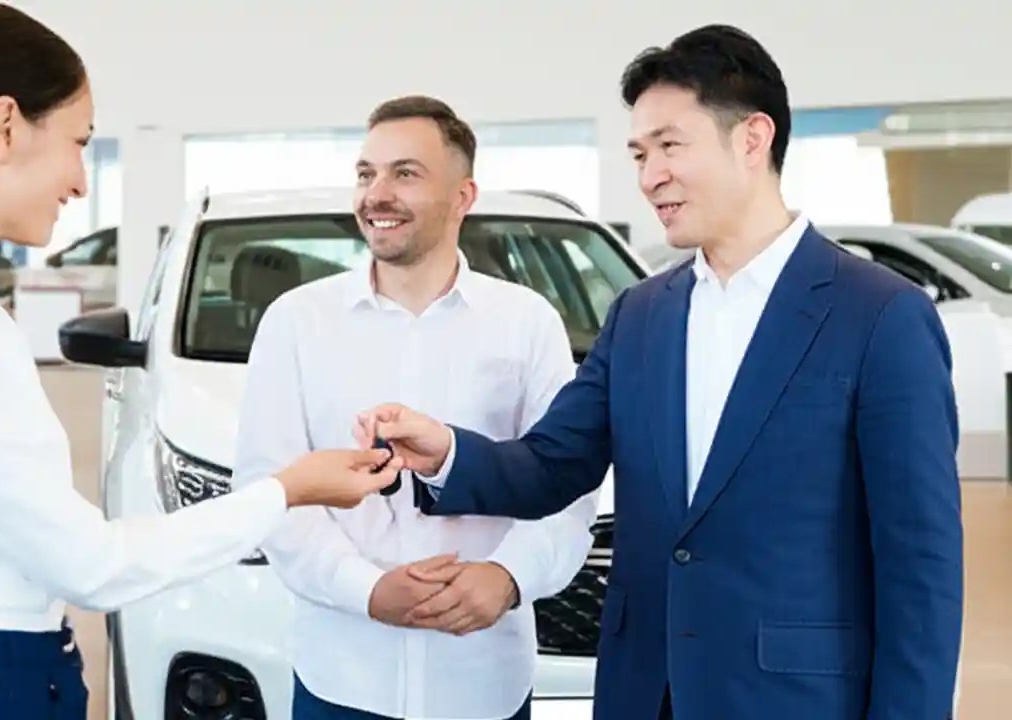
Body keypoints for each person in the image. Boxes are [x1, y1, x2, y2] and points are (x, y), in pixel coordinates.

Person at [0, 4, 398, 720]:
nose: (81, 180)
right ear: (5, 125)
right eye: (78, 141)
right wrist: (285, 493)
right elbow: (90, 565)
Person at [355, 25, 964, 720]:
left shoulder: (881, 316)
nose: (650, 176)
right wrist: (448, 454)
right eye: (640, 154)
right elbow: (554, 462)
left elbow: (922, 571)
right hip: (645, 692)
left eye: (671, 146)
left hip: (794, 699)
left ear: (752, 138)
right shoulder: (643, 314)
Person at [231, 95, 600, 720]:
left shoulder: (526, 323)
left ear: (463, 196)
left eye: (405, 173)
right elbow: (269, 491)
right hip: (342, 674)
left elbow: (568, 489)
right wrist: (369, 590)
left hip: (483, 678)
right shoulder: (297, 322)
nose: (378, 194)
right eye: (366, 173)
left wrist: (507, 579)